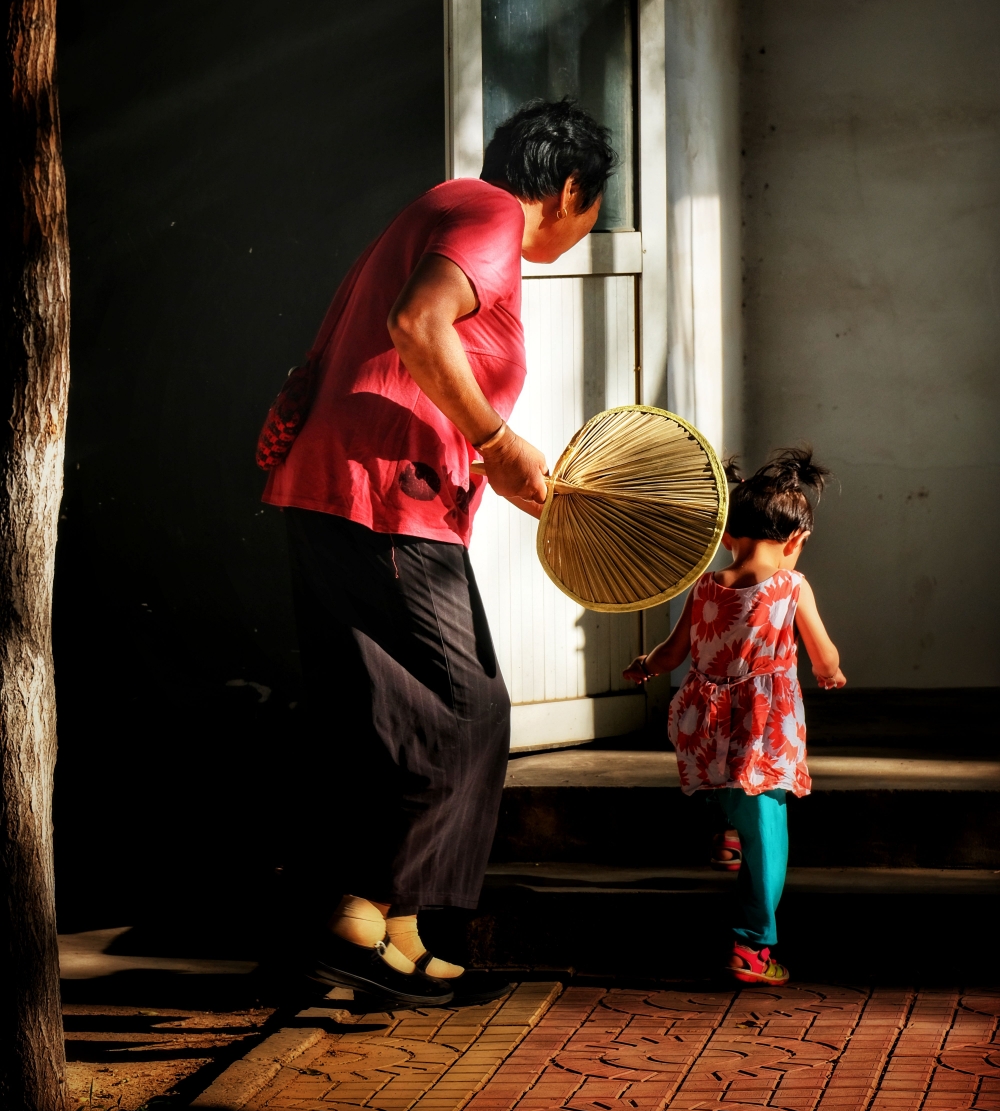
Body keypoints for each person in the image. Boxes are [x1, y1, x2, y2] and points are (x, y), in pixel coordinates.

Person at [262, 99, 615, 1008]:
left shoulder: (442, 209)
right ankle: (359, 915)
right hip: (383, 499)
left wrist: (491, 453)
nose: (589, 228)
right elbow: (418, 329)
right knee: (470, 710)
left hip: (340, 495)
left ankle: (400, 938)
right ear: (569, 188)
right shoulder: (492, 212)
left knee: (391, 719)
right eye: (594, 209)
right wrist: (497, 442)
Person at [624, 448, 846, 986]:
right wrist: (831, 673)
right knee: (769, 824)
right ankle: (753, 947)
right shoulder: (792, 586)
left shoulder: (706, 585)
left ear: (728, 537)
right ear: (793, 542)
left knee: (726, 780)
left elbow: (673, 653)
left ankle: (727, 830)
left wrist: (647, 666)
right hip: (763, 727)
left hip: (709, 720)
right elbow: (823, 654)